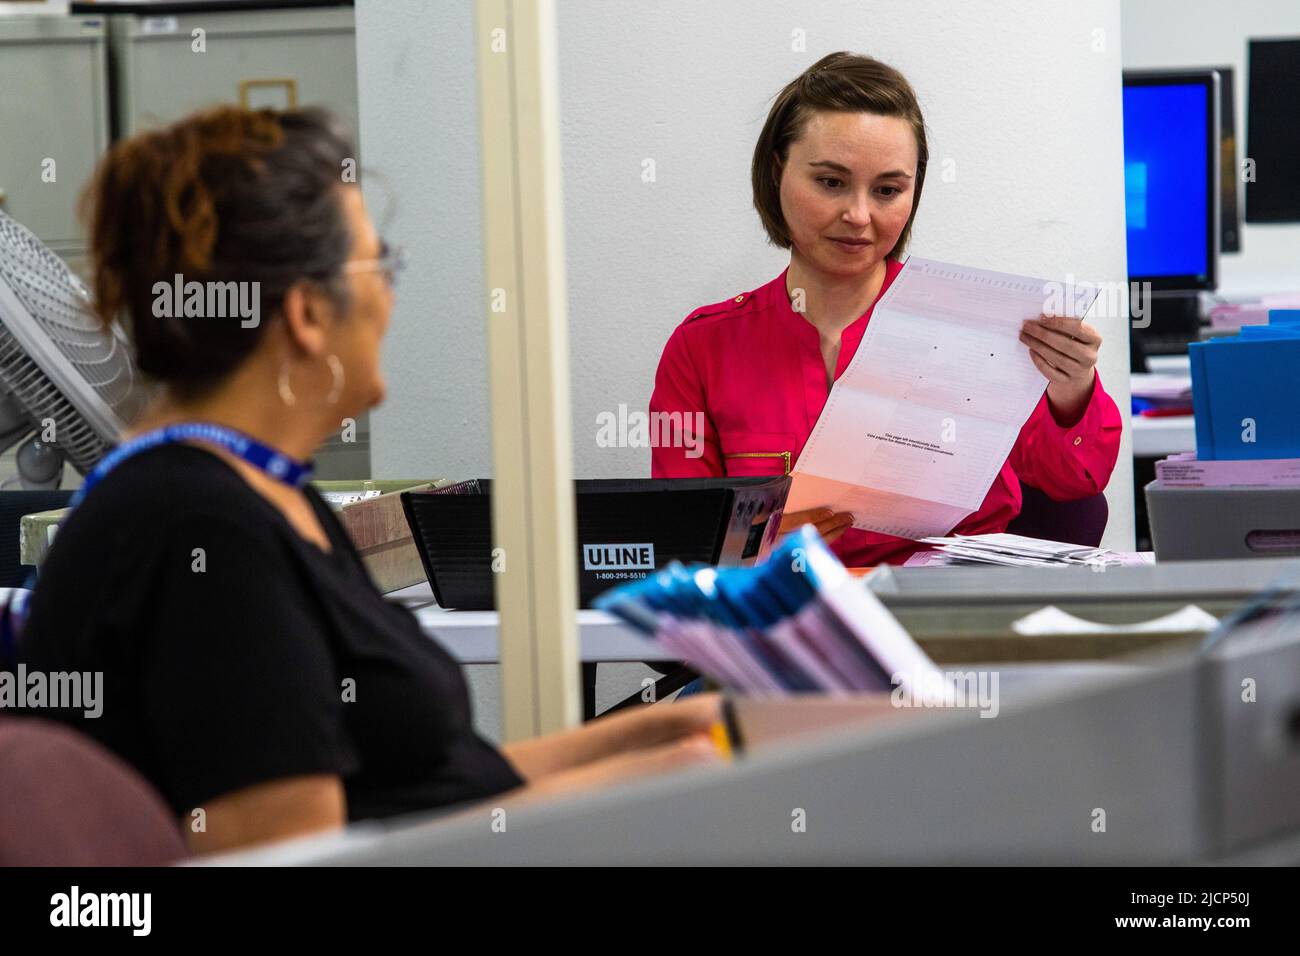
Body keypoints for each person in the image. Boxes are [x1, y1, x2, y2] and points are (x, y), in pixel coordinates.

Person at [15, 106, 720, 856]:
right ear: (310, 313)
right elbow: (295, 855)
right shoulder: (200, 533)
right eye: (380, 267)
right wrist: (661, 777)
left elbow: (438, 783)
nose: (389, 294)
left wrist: (677, 728)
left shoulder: (264, 492)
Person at [650, 52, 1123, 566]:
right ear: (776, 170)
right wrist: (755, 546)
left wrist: (1070, 387)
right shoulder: (704, 346)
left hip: (946, 610)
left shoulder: (979, 325)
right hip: (783, 614)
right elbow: (682, 543)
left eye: (888, 190)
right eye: (831, 182)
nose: (858, 215)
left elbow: (1076, 482)